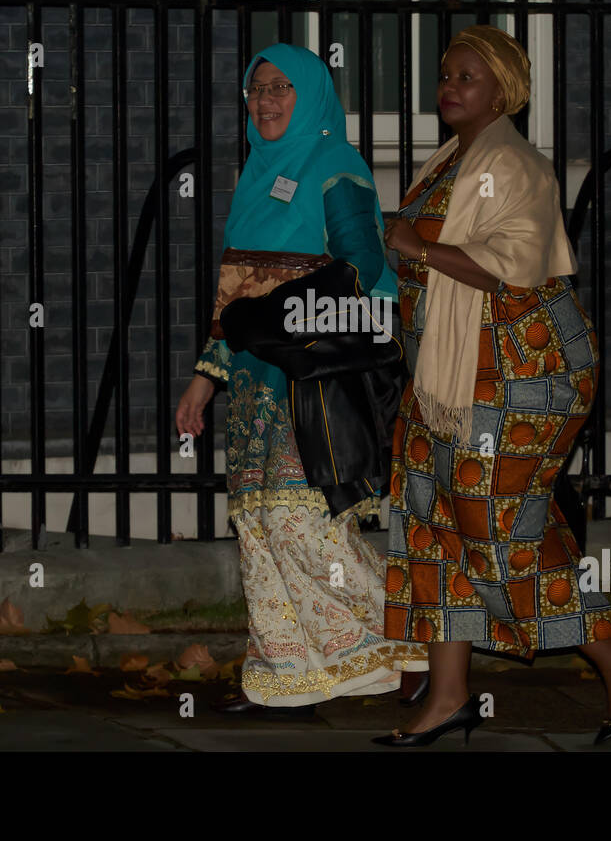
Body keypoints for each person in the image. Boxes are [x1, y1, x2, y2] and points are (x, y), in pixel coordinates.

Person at [376, 25, 611, 746]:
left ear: (502, 91)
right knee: (435, 523)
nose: (449, 86)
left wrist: (417, 246)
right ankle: (449, 696)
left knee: (497, 532)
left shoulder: (516, 165)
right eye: (445, 74)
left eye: (467, 76)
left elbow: (514, 265)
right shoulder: (451, 161)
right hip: (447, 378)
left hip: (521, 375)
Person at [176, 43, 428, 712]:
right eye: (256, 89)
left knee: (300, 521)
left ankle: (413, 639)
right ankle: (285, 670)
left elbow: (361, 264)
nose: (264, 101)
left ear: (311, 94)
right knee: (255, 521)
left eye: (280, 87)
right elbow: (234, 297)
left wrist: (280, 310)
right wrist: (205, 377)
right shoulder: (255, 177)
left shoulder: (335, 165)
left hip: (310, 378)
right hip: (254, 383)